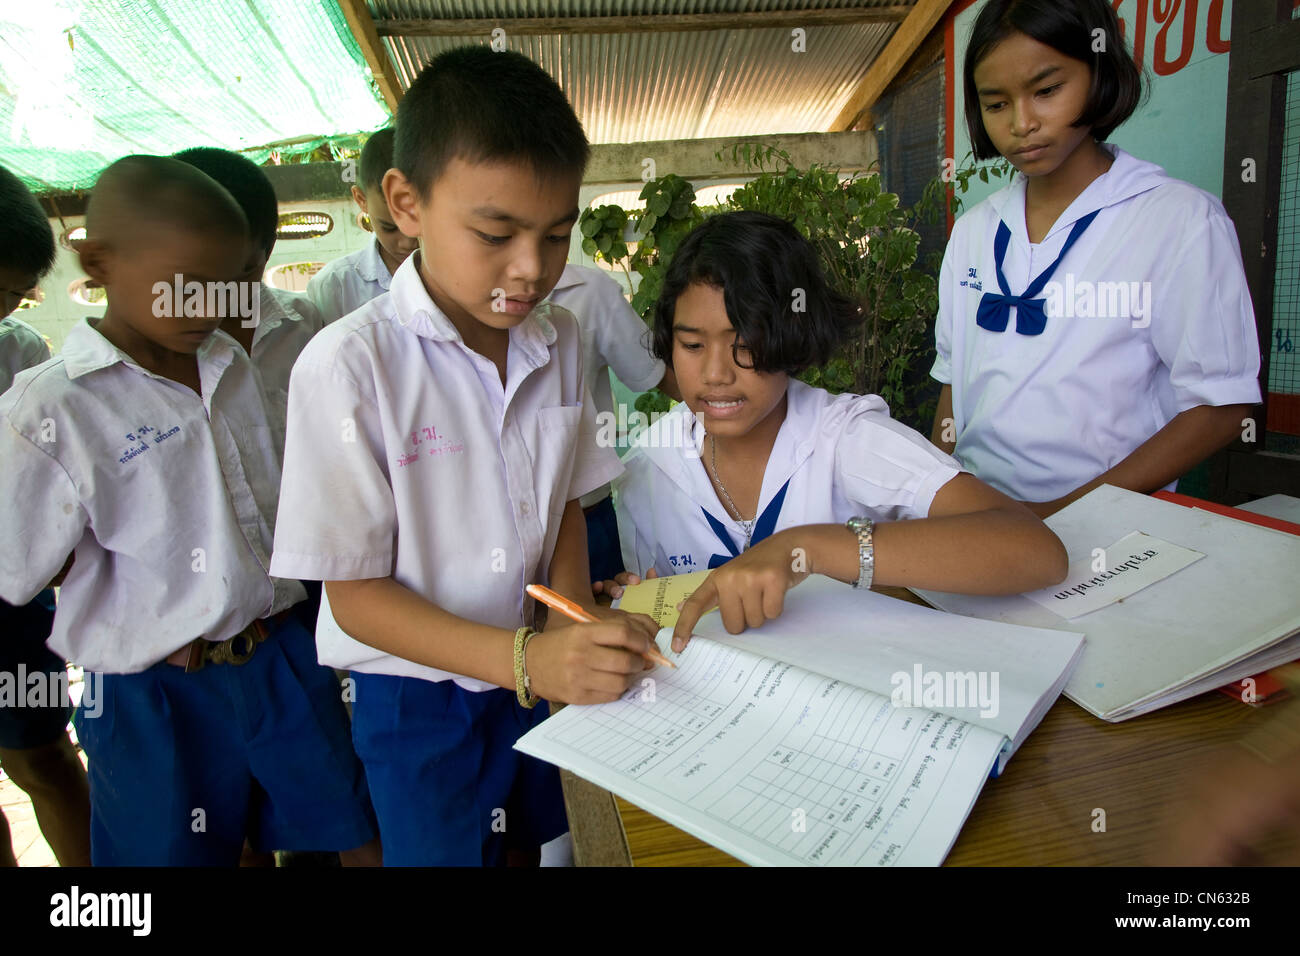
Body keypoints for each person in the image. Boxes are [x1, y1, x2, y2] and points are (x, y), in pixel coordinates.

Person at [269, 46, 660, 867]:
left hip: (532, 670)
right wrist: (531, 659)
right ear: (404, 202)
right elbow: (356, 600)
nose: (531, 269)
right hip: (417, 697)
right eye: (496, 233)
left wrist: (562, 623)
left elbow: (564, 502)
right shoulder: (351, 366)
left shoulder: (559, 337)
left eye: (557, 236)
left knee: (533, 845)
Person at [0, 155, 379, 866]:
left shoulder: (231, 368)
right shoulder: (47, 411)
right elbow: (18, 570)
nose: (210, 308)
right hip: (151, 695)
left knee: (358, 834)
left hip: (281, 656)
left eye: (232, 283)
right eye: (189, 287)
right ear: (97, 261)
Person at [601, 211, 1068, 652]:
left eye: (745, 344)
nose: (716, 373)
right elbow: (652, 595)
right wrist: (635, 601)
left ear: (794, 335)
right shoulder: (649, 468)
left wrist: (806, 547)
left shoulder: (847, 440)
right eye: (692, 344)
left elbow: (1036, 550)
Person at [929, 0, 1260, 517]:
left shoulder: (1179, 221)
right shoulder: (973, 232)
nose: (1022, 123)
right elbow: (954, 382)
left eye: (1046, 91)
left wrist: (1066, 512)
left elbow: (1222, 406)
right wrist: (934, 493)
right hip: (976, 518)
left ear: (1100, 74)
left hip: (1112, 526)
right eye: (996, 104)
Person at [0, 164, 91, 867]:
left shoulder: (19, 355)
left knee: (39, 759)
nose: (2, 312)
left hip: (8, 593)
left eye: (8, 298)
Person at [172, 146, 324, 453]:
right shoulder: (162, 352)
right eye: (197, 273)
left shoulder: (304, 326)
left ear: (267, 251)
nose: (219, 285)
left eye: (240, 268)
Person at [546, 263, 680, 583]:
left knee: (603, 615)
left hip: (588, 516)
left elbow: (653, 372)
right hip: (488, 537)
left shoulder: (584, 298)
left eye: (554, 235)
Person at [306, 127, 418, 323]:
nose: (407, 243)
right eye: (389, 227)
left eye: (419, 225)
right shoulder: (335, 287)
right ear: (361, 199)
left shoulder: (461, 271)